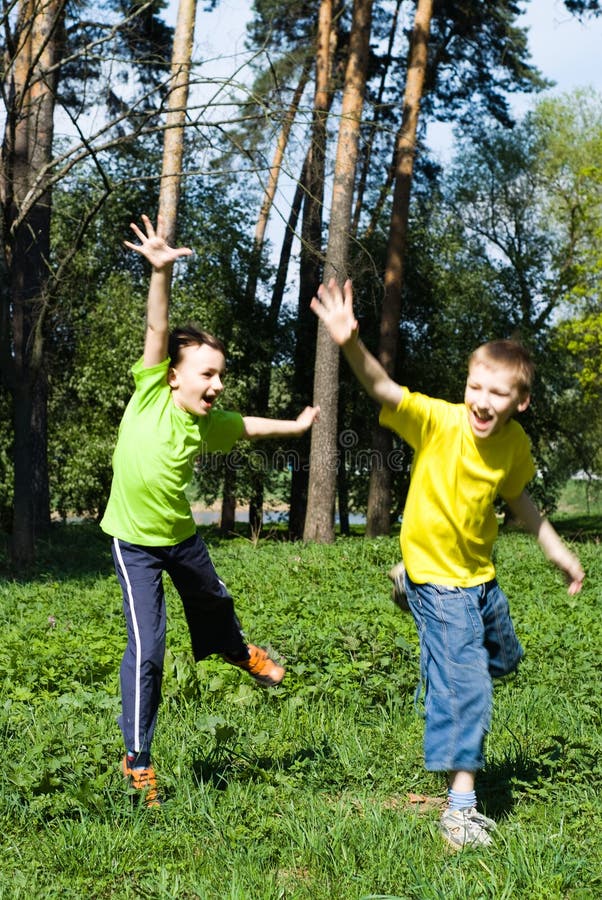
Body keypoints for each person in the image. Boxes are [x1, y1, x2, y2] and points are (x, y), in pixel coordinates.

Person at [310, 278, 585, 849]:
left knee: (502, 659)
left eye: (497, 392)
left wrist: (555, 549)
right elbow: (384, 388)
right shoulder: (438, 421)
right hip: (441, 581)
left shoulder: (513, 445)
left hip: (480, 578)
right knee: (467, 688)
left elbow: (519, 501)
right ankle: (459, 811)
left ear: (520, 402)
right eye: (474, 386)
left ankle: (411, 598)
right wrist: (349, 342)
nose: (482, 400)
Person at [100, 214, 320, 807]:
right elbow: (157, 327)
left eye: (221, 374)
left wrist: (296, 426)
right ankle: (137, 760)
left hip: (181, 537)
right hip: (134, 544)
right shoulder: (151, 392)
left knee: (216, 604)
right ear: (173, 377)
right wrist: (160, 272)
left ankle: (238, 651)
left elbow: (248, 425)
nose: (218, 384)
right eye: (208, 373)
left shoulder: (206, 424)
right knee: (149, 650)